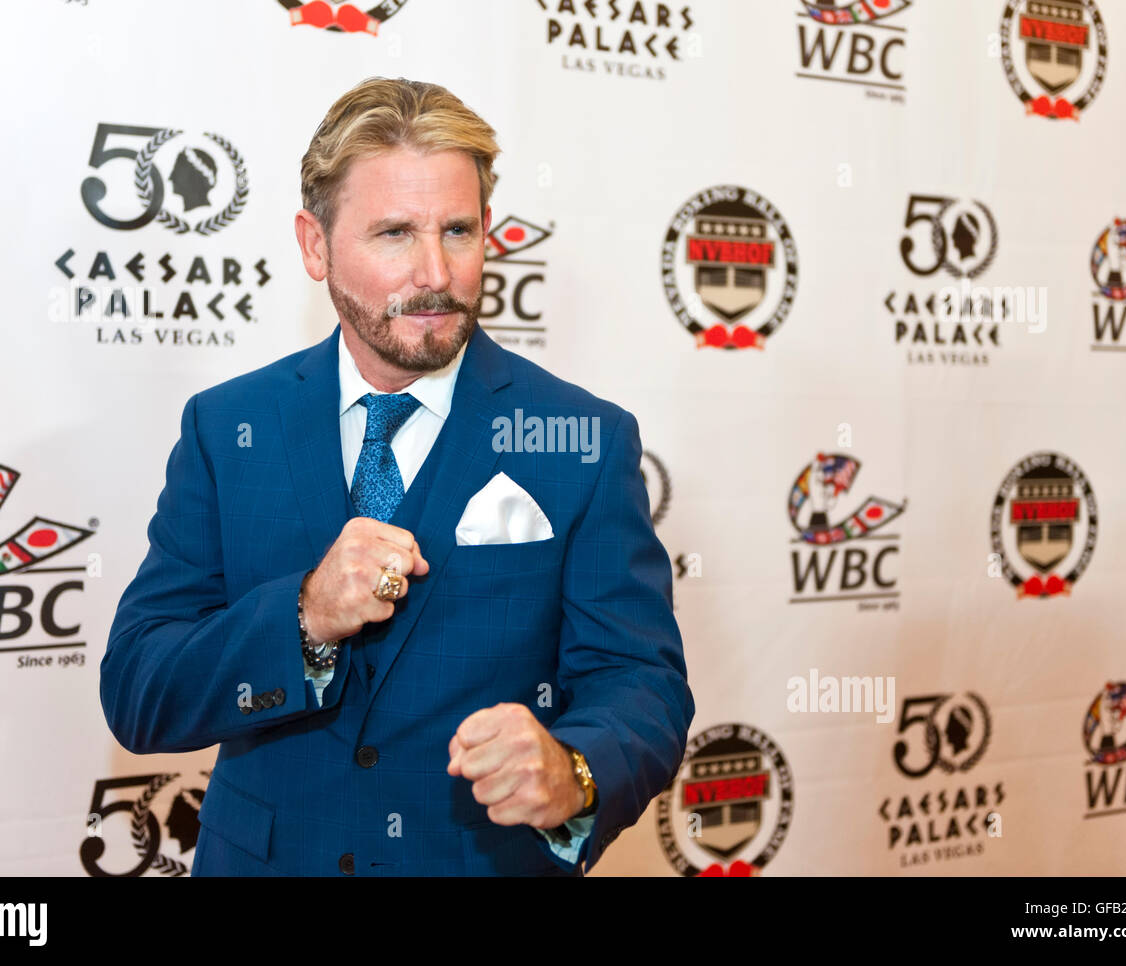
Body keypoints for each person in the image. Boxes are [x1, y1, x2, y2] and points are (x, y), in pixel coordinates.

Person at [100, 76, 694, 876]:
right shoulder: (226, 428)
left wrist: (575, 770)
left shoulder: (580, 439)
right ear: (315, 245)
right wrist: (304, 618)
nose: (435, 272)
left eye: (458, 230)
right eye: (393, 234)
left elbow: (641, 686)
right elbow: (142, 688)